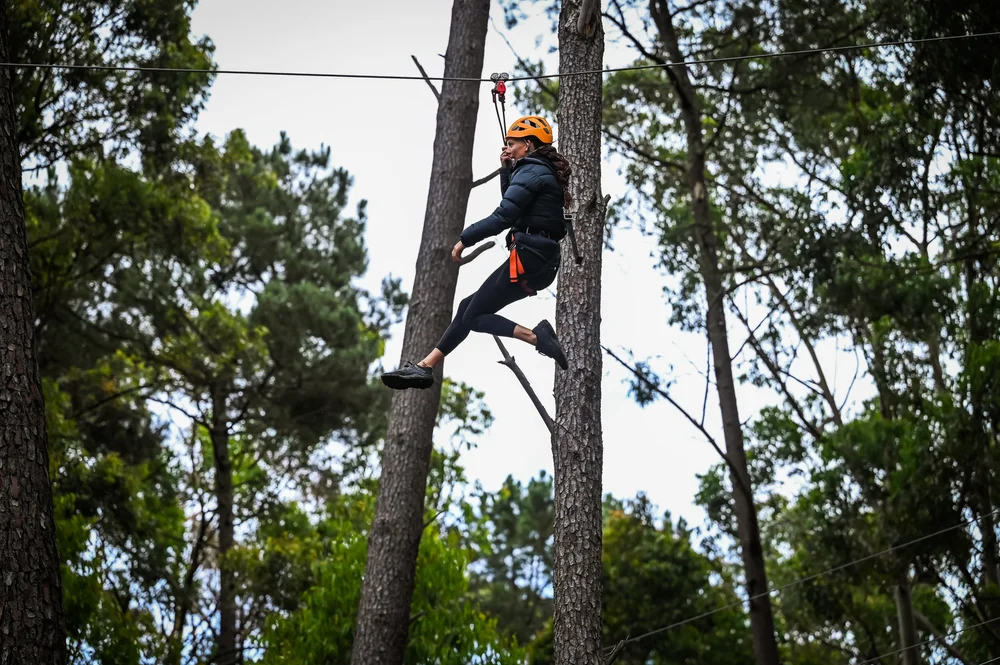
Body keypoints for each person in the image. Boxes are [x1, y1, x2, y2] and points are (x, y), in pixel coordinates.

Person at [381, 115, 572, 391]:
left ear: (528, 144)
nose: (508, 148)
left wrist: (464, 239)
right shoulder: (536, 172)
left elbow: (504, 216)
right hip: (540, 262)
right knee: (467, 308)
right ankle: (425, 368)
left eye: (512, 143)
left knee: (472, 316)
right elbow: (515, 204)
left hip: (531, 258)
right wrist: (507, 169)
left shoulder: (532, 172)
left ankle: (537, 337)